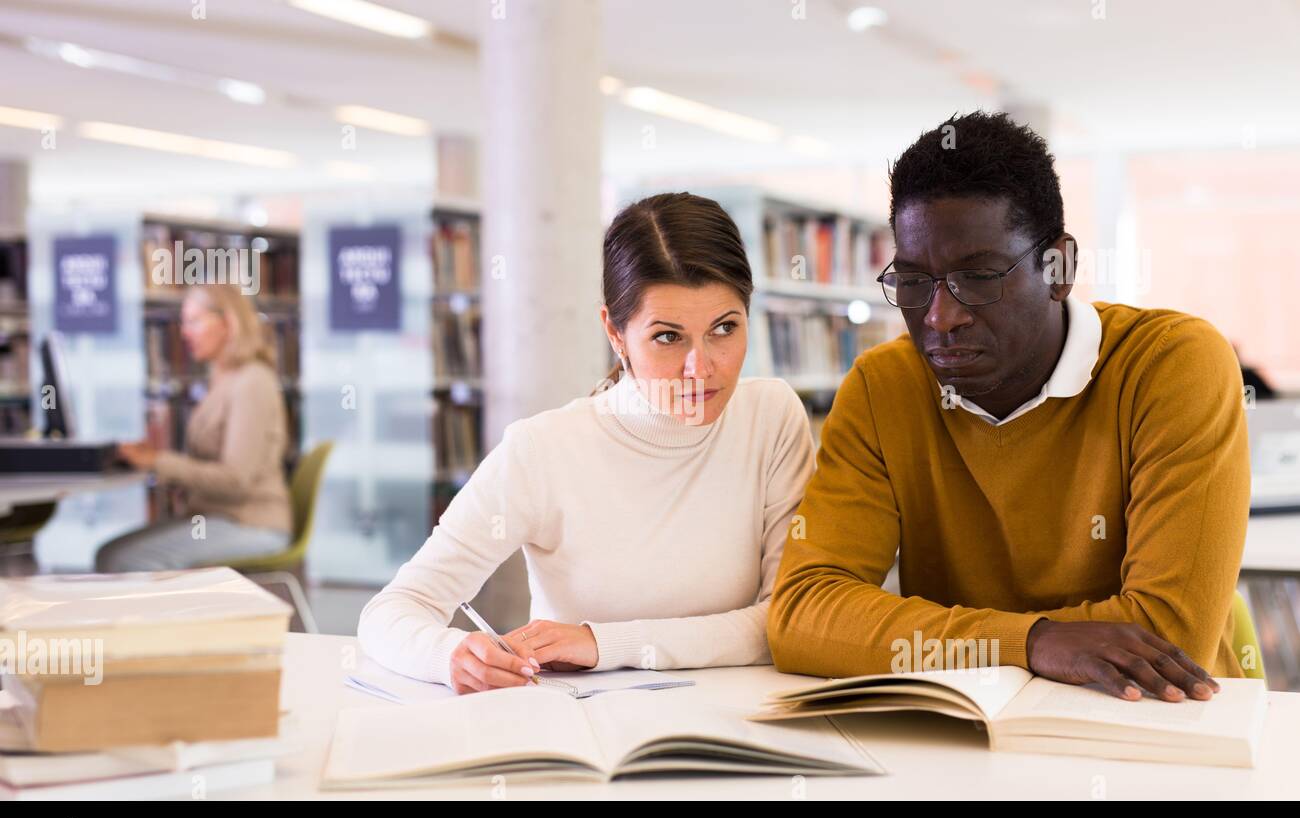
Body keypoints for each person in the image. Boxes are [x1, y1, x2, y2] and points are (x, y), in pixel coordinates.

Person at [769, 111, 1249, 703]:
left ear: (1060, 268)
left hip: (1169, 729)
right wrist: (1033, 641)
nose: (942, 318)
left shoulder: (1171, 364)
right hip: (974, 733)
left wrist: (953, 641)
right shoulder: (882, 386)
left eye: (979, 277)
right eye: (915, 282)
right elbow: (804, 614)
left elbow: (1169, 637)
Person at [358, 192, 815, 694]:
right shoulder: (543, 449)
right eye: (668, 337)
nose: (701, 368)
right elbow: (392, 611)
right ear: (615, 334)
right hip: (585, 735)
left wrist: (602, 644)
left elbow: (784, 620)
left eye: (724, 328)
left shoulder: (771, 418)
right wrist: (451, 655)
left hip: (743, 726)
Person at [95, 283, 291, 572]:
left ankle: (165, 618)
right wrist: (151, 458)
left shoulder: (252, 383)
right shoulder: (222, 380)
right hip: (215, 518)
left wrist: (158, 462)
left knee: (121, 559)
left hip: (251, 523)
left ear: (227, 323)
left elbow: (236, 481)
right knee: (109, 553)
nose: (184, 332)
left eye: (194, 321)